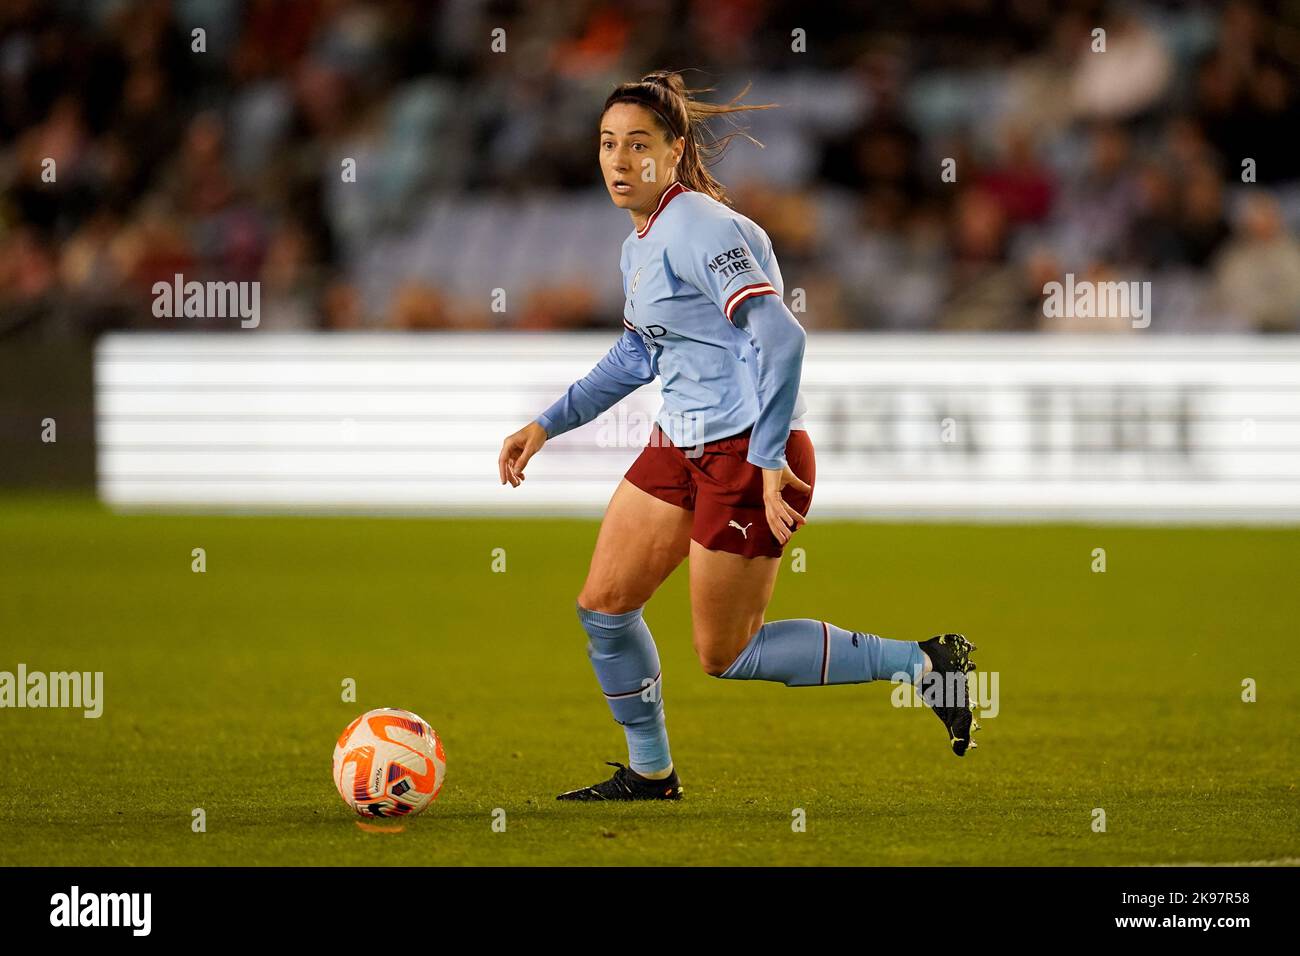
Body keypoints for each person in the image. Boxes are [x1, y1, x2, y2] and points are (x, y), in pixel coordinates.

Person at [498, 71, 979, 801]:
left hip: (751, 452)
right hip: (681, 441)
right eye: (607, 145)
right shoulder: (642, 241)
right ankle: (652, 773)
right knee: (603, 606)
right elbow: (637, 355)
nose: (620, 161)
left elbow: (782, 339)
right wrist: (547, 423)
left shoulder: (698, 226)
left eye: (638, 145)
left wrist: (765, 460)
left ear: (675, 150)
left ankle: (923, 663)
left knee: (727, 652)